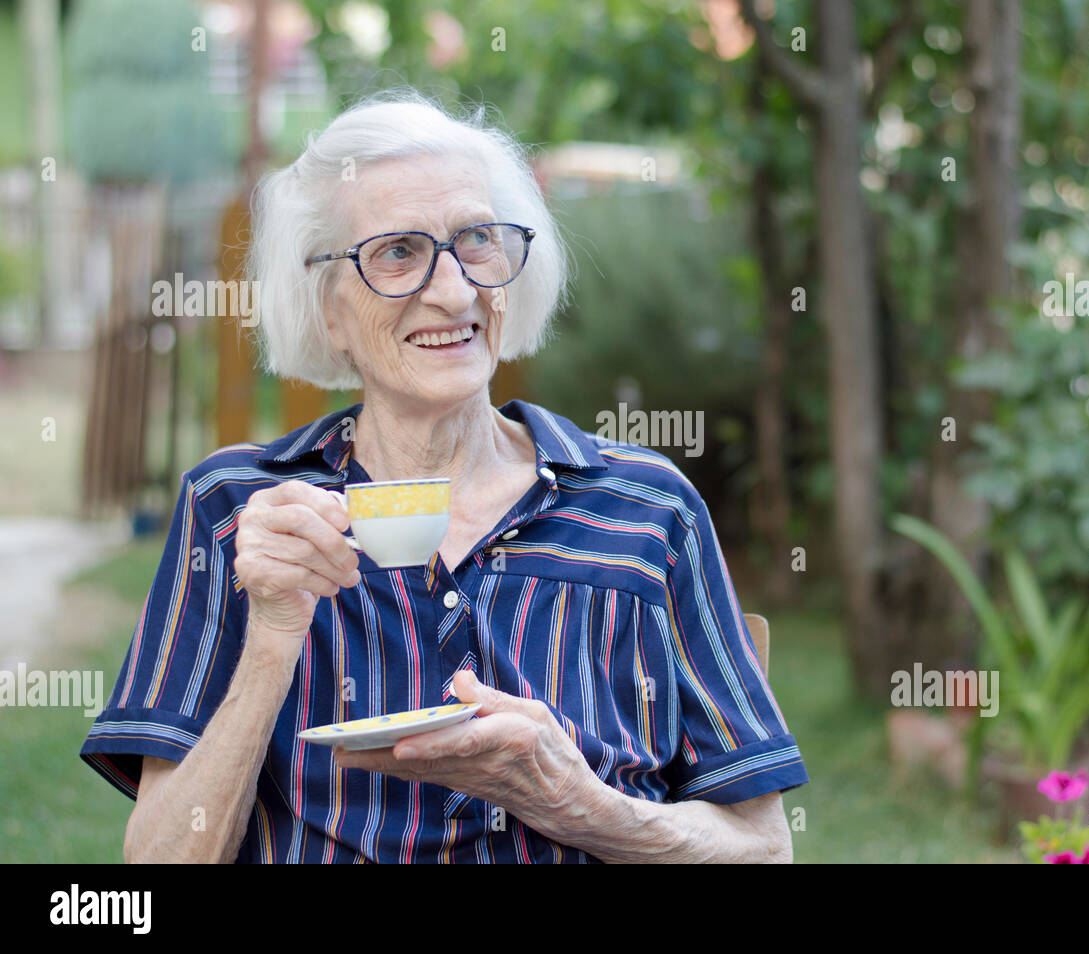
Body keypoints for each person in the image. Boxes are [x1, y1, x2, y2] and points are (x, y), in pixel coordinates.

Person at [81, 92, 808, 863]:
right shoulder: (240, 511)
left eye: (477, 241)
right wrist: (271, 639)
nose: (454, 290)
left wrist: (580, 804)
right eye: (398, 252)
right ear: (329, 308)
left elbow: (762, 850)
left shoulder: (648, 510)